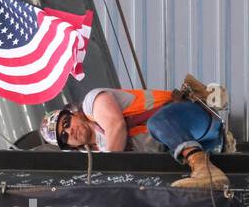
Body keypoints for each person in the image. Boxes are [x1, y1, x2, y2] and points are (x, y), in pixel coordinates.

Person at [38, 80, 230, 189]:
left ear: (72, 114)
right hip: (199, 148)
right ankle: (201, 168)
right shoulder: (99, 153)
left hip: (193, 119)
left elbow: (116, 126)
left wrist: (105, 176)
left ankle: (203, 168)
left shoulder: (93, 102)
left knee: (157, 124)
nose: (70, 131)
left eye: (66, 123)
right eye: (64, 137)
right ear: (69, 146)